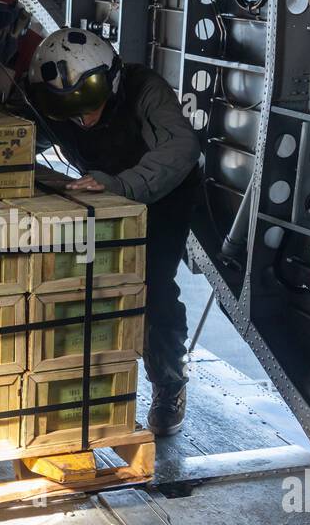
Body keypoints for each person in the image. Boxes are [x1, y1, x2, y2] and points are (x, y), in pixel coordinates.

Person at [26, 27, 202, 436]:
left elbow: (181, 148)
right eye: (69, 108)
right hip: (105, 192)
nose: (83, 117)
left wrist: (123, 185)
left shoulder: (145, 90)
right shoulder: (57, 101)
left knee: (153, 287)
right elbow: (21, 131)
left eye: (88, 103)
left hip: (163, 191)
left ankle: (169, 381)